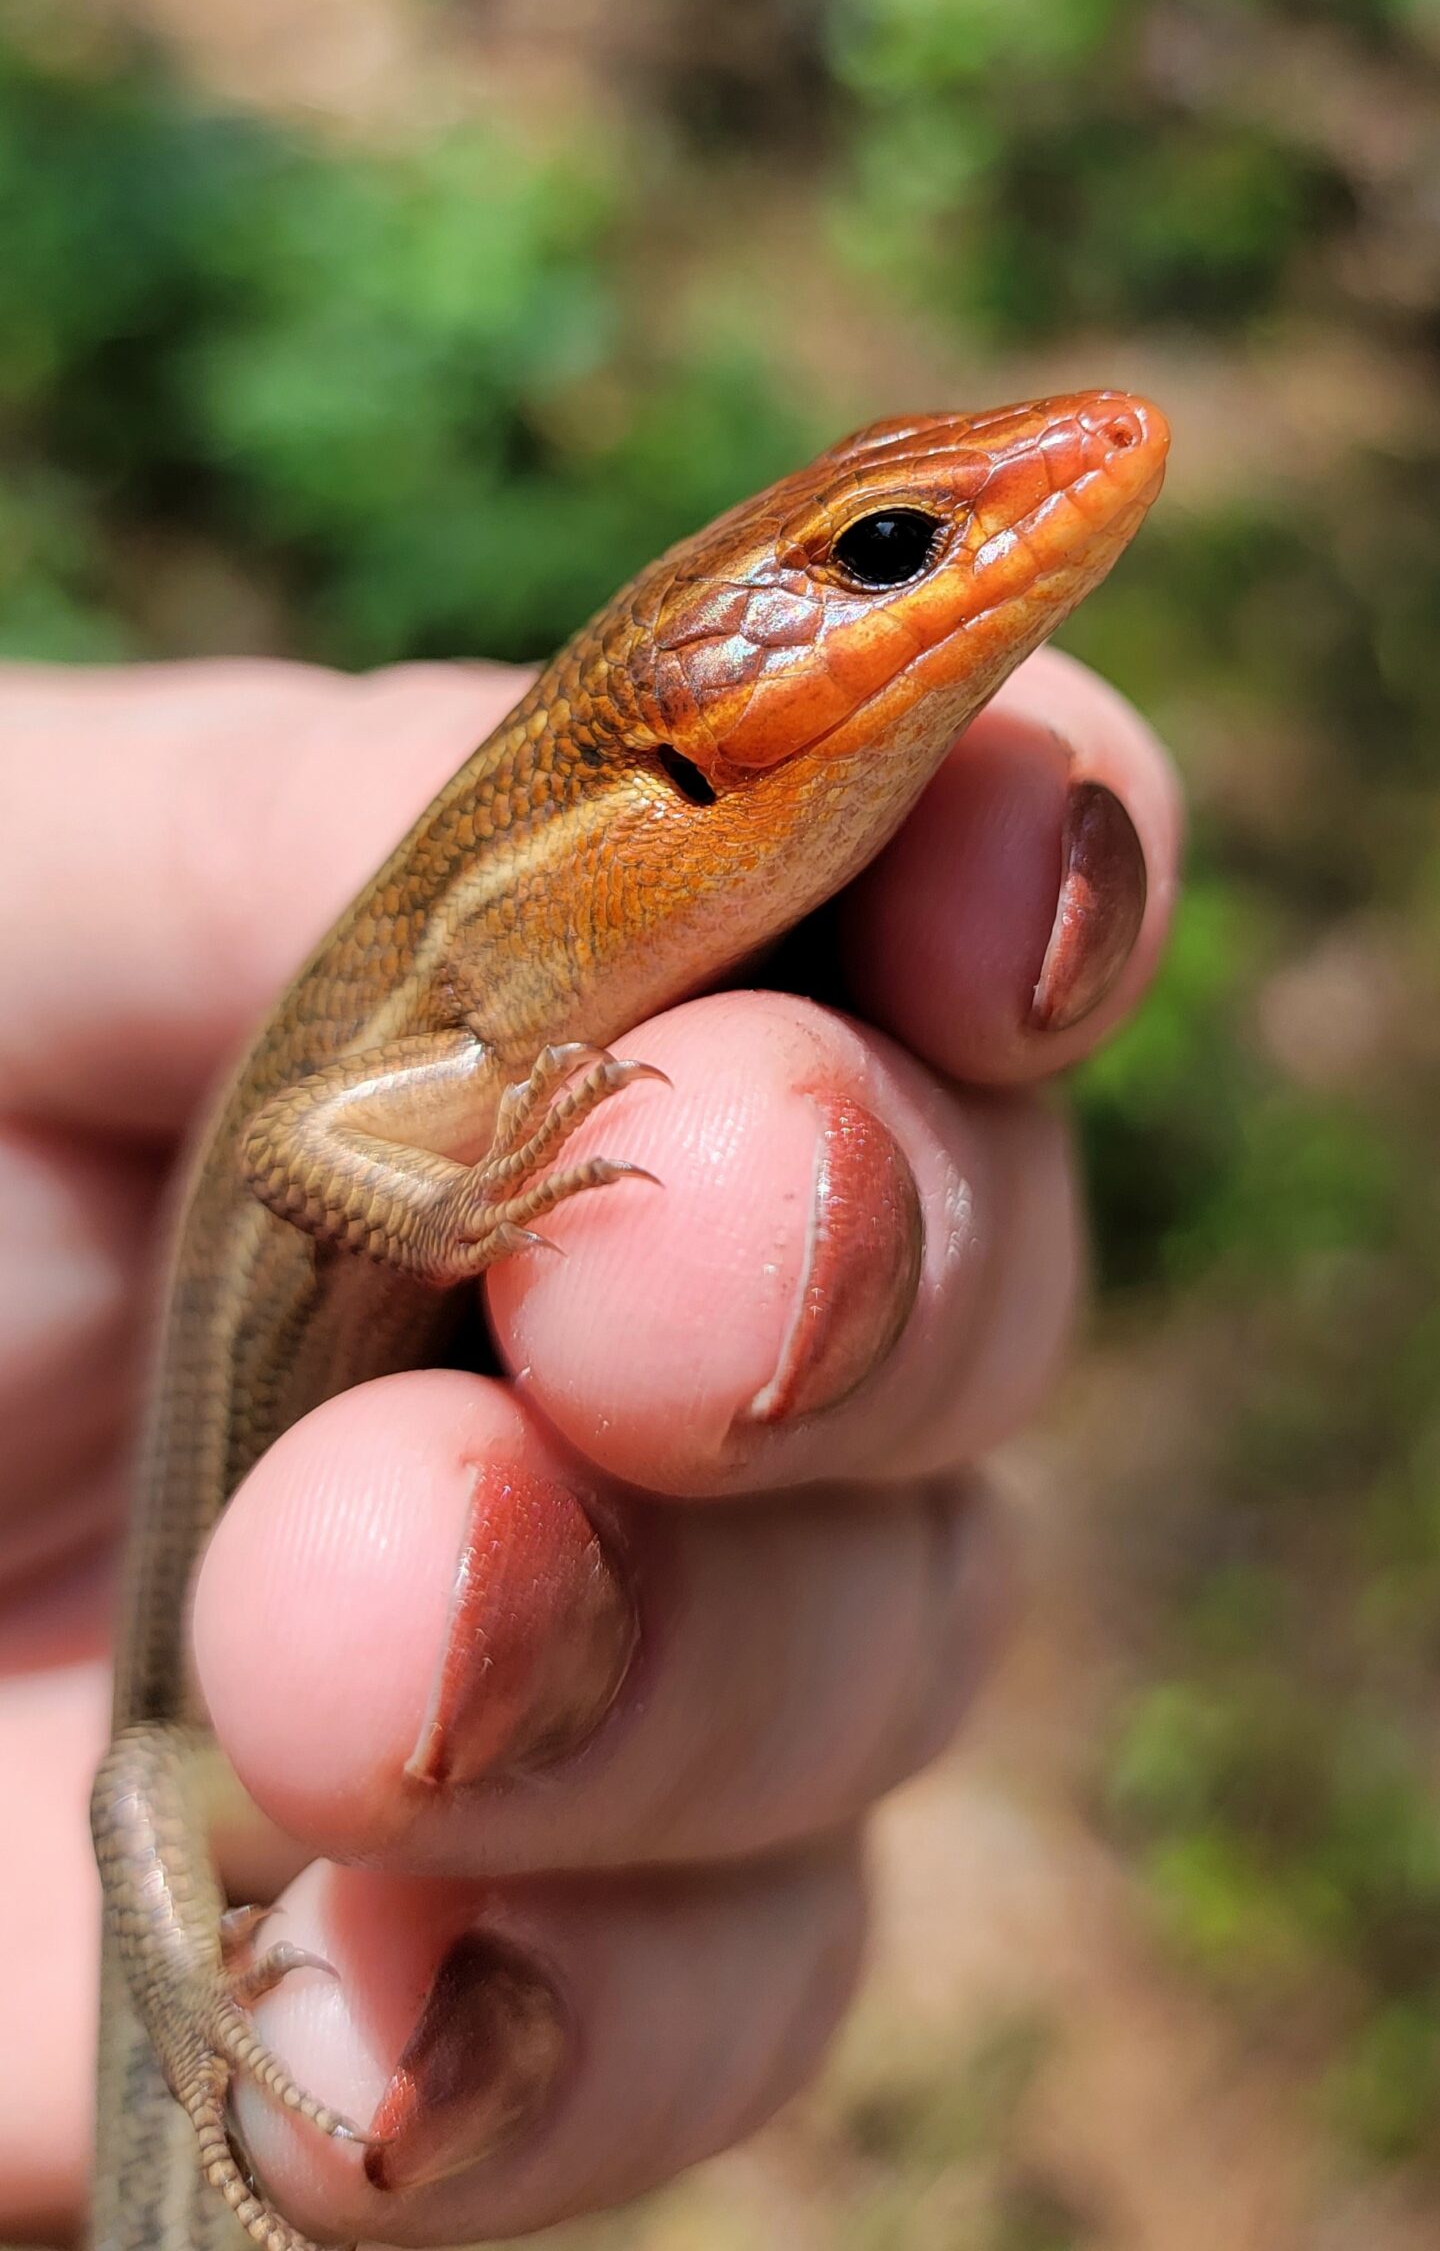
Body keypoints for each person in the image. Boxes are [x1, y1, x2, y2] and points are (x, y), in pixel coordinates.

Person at [0, 643, 1179, 2244]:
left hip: (296, 1686)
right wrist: (472, 1210)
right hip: (183, 1752)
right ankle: (193, 2057)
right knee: (149, 1786)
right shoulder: (480, 979)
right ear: (673, 755)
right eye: (889, 551)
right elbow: (297, 1137)